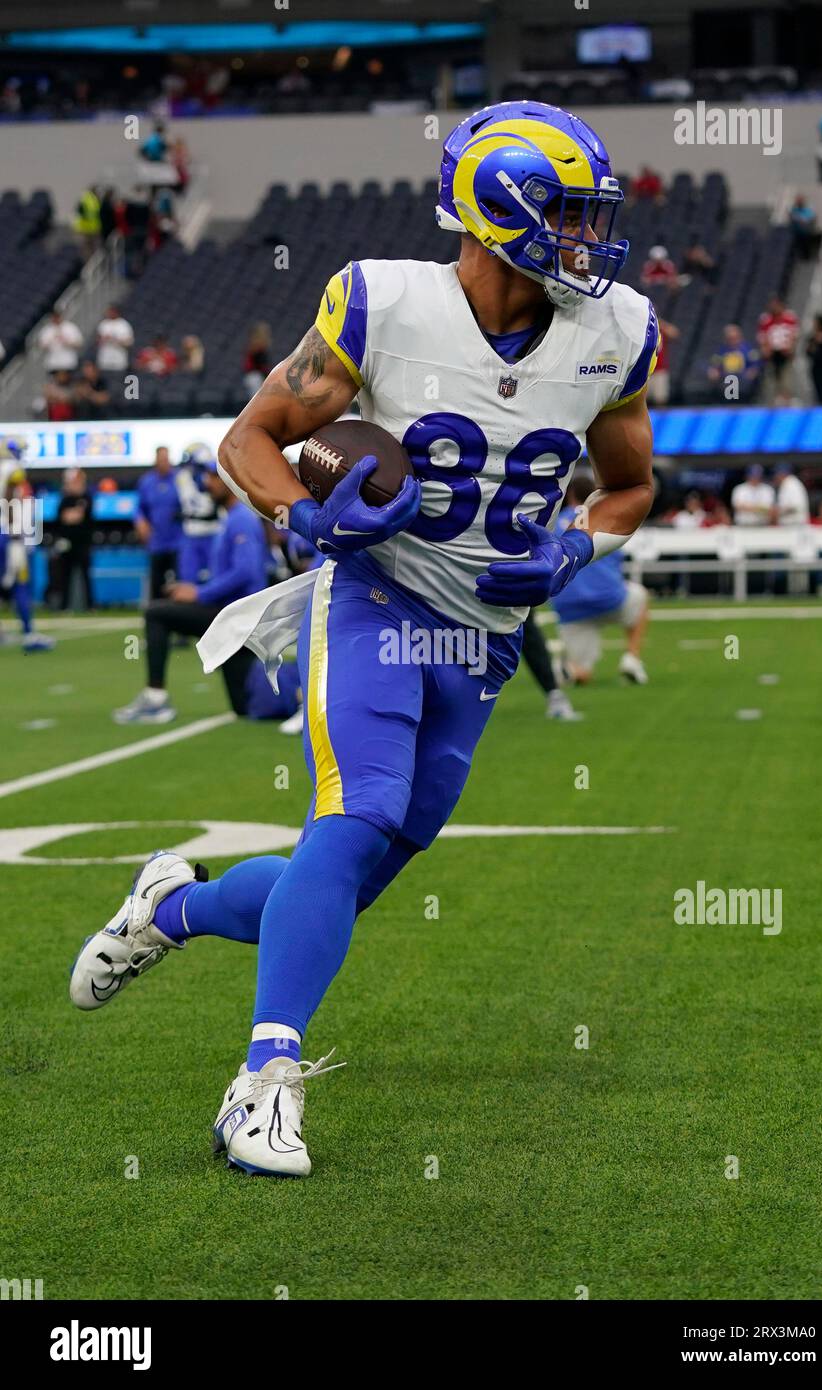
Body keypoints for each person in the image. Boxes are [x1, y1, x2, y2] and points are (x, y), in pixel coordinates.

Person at [70, 100, 656, 1178]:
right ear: (491, 214)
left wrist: (573, 552)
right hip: (378, 596)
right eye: (566, 215)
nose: (588, 239)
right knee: (358, 810)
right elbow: (249, 440)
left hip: (484, 636)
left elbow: (627, 488)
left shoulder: (616, 328)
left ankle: (175, 904)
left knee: (341, 874)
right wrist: (298, 515)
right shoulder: (381, 301)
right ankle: (263, 1085)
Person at [113, 463, 268, 724]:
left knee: (157, 613)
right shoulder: (230, 517)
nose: (207, 483)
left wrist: (200, 594)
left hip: (237, 618)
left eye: (212, 478)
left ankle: (155, 698)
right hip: (231, 615)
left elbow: (246, 571)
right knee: (245, 706)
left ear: (230, 483)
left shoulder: (241, 518)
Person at [553, 477, 650, 686]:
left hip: (569, 606)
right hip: (609, 598)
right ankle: (631, 658)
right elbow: (617, 558)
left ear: (570, 495)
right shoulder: (604, 519)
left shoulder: (555, 524)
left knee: (581, 673)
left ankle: (568, 669)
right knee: (640, 596)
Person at [0, 445, 55, 651]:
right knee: (20, 583)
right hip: (8, 535)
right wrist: (14, 527)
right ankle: (29, 634)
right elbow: (10, 497)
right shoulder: (12, 469)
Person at [135, 446, 183, 598]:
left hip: (178, 540)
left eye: (166, 458)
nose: (164, 462)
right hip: (157, 541)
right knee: (157, 582)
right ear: (156, 460)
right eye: (161, 459)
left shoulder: (180, 479)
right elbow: (139, 509)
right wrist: (140, 522)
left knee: (179, 580)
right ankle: (157, 612)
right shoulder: (147, 482)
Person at [175, 444, 222, 583]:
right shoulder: (182, 478)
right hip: (191, 534)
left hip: (212, 533)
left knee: (216, 577)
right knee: (188, 579)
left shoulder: (216, 479)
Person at [55, 466, 93, 610]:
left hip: (83, 543)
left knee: (85, 576)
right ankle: (64, 606)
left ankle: (90, 605)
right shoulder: (65, 499)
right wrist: (73, 514)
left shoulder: (87, 497)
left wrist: (73, 515)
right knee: (65, 576)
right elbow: (63, 517)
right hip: (67, 543)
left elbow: (78, 516)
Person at [757, 296, 799, 405]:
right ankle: (773, 401)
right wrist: (765, 349)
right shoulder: (766, 319)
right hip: (772, 353)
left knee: (786, 377)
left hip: (785, 353)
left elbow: (794, 334)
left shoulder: (789, 317)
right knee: (772, 378)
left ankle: (787, 399)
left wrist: (791, 348)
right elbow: (762, 336)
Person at [707, 324, 761, 402]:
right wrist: (714, 371)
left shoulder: (748, 349)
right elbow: (714, 365)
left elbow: (756, 364)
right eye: (730, 339)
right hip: (726, 380)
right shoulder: (722, 351)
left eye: (735, 338)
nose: (733, 341)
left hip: (743, 380)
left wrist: (753, 371)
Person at [38, 308, 83, 376]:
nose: (56, 319)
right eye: (54, 317)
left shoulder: (70, 327)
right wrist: (52, 339)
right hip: (53, 364)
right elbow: (41, 345)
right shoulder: (46, 330)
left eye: (57, 316)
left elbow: (79, 344)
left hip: (68, 362)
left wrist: (67, 342)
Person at [96, 304, 134, 372]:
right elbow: (97, 341)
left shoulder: (124, 325)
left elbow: (129, 342)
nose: (109, 313)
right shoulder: (103, 324)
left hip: (119, 360)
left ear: (116, 312)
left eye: (111, 311)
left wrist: (115, 339)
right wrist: (103, 339)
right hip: (105, 360)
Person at [647, 318, 677, 405]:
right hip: (645, 371)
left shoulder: (660, 328)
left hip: (660, 370)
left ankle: (661, 418)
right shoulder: (643, 329)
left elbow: (674, 333)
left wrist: (661, 323)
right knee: (643, 402)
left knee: (661, 399)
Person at [788, 194, 817, 258]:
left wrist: (799, 219)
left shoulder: (807, 210)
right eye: (797, 201)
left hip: (805, 233)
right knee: (796, 247)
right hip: (796, 233)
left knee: (806, 248)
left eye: (800, 201)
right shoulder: (794, 210)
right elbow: (791, 218)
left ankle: (807, 257)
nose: (798, 202)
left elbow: (810, 219)